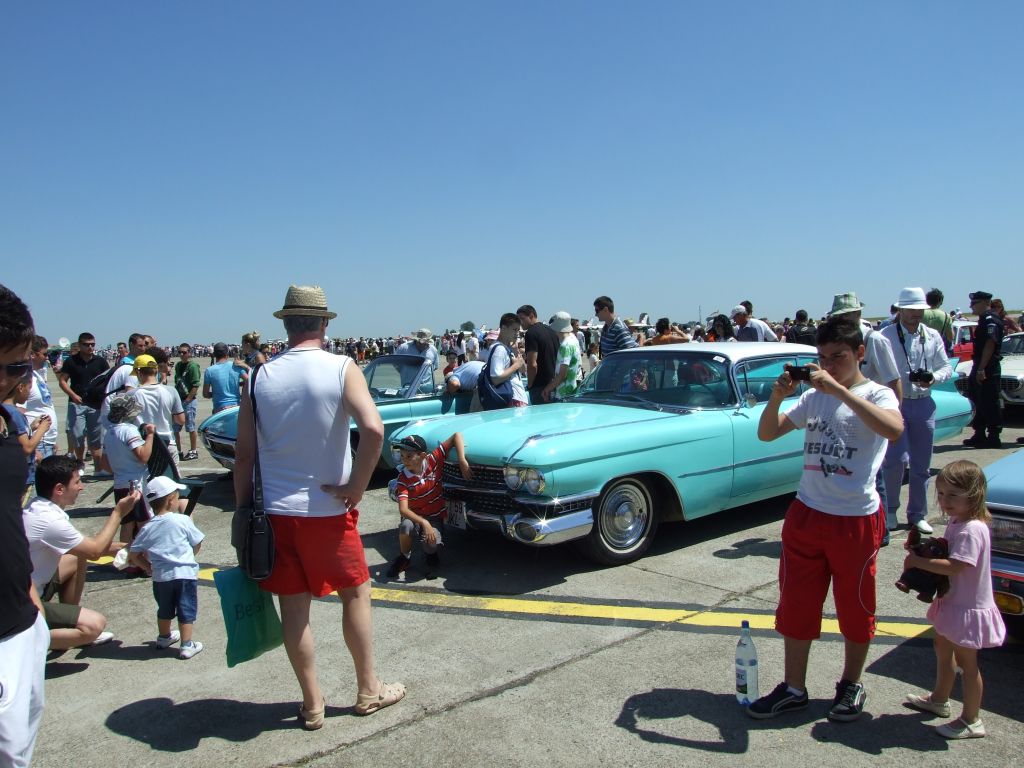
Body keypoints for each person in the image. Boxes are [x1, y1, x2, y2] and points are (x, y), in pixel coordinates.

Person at [234, 284, 404, 730]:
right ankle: (368, 688)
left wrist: (242, 510)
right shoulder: (341, 367)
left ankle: (312, 703)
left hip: (274, 512)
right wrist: (356, 486)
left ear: (285, 324)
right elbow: (373, 429)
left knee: (294, 609)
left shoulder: (257, 377)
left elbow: (245, 455)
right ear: (325, 324)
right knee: (356, 594)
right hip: (328, 510)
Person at [750, 316, 903, 722]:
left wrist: (839, 391)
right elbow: (768, 433)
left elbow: (893, 429)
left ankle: (851, 682)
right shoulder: (813, 398)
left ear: (860, 354)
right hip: (807, 512)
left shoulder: (877, 394)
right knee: (797, 603)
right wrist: (777, 398)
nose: (829, 365)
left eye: (838, 356)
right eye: (822, 358)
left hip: (854, 517)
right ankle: (794, 687)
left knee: (855, 605)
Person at [902, 460, 1006, 739]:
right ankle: (939, 699)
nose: (944, 501)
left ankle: (972, 720)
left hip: (967, 607)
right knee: (942, 648)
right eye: (941, 494)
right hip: (954, 602)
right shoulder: (959, 522)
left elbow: (957, 566)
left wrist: (919, 563)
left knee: (966, 662)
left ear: (973, 494)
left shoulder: (972, 528)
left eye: (952, 495)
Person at [0, 283, 49, 768]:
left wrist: (29, 591)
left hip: (18, 618)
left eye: (23, 365)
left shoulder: (6, 419)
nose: (21, 379)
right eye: (13, 366)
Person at [24, 455, 138, 649]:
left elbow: (87, 547)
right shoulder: (48, 520)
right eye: (77, 482)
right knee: (94, 626)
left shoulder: (39, 507)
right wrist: (118, 513)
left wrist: (133, 549)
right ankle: (26, 641)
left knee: (77, 556)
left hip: (34, 587)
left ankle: (66, 622)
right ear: (59, 489)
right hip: (24, 601)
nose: (81, 487)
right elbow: (95, 551)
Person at [827, 291, 903, 546]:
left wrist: (893, 417)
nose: (842, 320)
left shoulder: (875, 340)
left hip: (874, 411)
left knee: (874, 476)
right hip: (846, 415)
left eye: (845, 316)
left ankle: (880, 531)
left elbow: (893, 380)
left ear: (857, 314)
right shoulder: (839, 341)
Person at [880, 287, 952, 535]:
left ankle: (917, 513)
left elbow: (946, 367)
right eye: (911, 309)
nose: (916, 314)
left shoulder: (931, 335)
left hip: (923, 401)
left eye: (919, 309)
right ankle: (890, 509)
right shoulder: (885, 335)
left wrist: (933, 378)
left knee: (922, 464)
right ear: (900, 310)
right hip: (895, 402)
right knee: (895, 461)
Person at [128, 476, 205, 659]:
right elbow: (197, 542)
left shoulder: (148, 527)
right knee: (186, 609)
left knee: (164, 608)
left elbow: (133, 555)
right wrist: (188, 556)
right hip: (185, 574)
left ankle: (164, 637)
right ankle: (186, 645)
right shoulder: (182, 521)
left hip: (161, 576)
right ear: (171, 500)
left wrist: (148, 567)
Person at [386, 433, 471, 579]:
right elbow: (403, 509)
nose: (404, 460)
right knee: (405, 526)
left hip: (434, 517)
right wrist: (423, 522)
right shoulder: (403, 478)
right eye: (402, 455)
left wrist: (462, 459)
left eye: (409, 456)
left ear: (423, 455)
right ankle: (404, 557)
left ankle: (430, 554)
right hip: (414, 517)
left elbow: (456, 436)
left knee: (431, 544)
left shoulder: (433, 460)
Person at [102, 394, 155, 548]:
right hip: (136, 484)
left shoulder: (109, 433)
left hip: (120, 483)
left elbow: (104, 464)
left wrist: (121, 468)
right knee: (144, 521)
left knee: (127, 523)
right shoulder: (129, 430)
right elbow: (143, 456)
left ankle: (126, 561)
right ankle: (146, 557)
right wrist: (150, 435)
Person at [57, 332, 109, 474]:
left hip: (95, 405)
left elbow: (107, 381)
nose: (90, 347)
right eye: (86, 345)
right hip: (77, 403)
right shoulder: (71, 361)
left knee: (96, 438)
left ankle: (98, 468)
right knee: (78, 436)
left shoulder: (100, 361)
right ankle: (80, 464)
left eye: (92, 344)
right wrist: (73, 395)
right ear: (80, 345)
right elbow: (62, 381)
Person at [963, 291, 1004, 449]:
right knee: (978, 400)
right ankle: (979, 434)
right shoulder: (983, 320)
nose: (971, 306)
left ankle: (994, 436)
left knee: (989, 401)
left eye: (974, 303)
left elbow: (990, 344)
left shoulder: (991, 320)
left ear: (985, 303)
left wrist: (981, 368)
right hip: (980, 365)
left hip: (987, 367)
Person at [132, 353, 185, 469]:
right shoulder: (171, 391)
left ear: (138, 372)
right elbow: (180, 420)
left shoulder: (131, 395)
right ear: (156, 370)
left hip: (142, 445)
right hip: (167, 443)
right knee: (172, 483)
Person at [2, 377, 50, 501]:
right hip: (24, 475)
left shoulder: (5, 410)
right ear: (20, 387)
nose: (29, 393)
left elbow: (12, 437)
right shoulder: (14, 413)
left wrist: (32, 427)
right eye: (29, 388)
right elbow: (27, 448)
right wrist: (42, 430)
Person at [25, 336, 58, 473]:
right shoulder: (25, 379)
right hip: (37, 442)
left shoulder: (36, 375)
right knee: (36, 490)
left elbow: (45, 405)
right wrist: (34, 447)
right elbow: (17, 411)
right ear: (32, 354)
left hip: (47, 440)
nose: (46, 358)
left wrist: (52, 439)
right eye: (44, 354)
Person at [516, 305, 560, 405]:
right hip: (554, 383)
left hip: (539, 386)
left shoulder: (531, 333)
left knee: (539, 418)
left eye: (522, 319)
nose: (520, 322)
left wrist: (530, 384)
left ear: (531, 316)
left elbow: (532, 364)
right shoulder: (551, 331)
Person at [485, 313, 529, 408]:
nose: (517, 333)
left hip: (515, 398)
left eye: (518, 330)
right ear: (504, 328)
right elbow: (496, 378)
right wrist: (516, 365)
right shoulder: (500, 350)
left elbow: (522, 370)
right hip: (513, 399)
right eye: (514, 330)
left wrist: (516, 352)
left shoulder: (506, 348)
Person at [542, 311, 582, 402]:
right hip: (571, 390)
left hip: (563, 394)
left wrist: (547, 389)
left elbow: (562, 375)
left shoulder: (565, 346)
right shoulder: (573, 339)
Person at [174, 344, 202, 461]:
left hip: (188, 400)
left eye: (184, 352)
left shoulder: (193, 366)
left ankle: (193, 450)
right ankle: (178, 451)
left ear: (189, 353)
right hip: (179, 399)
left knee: (190, 426)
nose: (181, 355)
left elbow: (195, 384)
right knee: (175, 427)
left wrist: (188, 399)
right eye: (180, 352)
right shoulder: (178, 365)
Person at [203, 342, 246, 413]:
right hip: (236, 407)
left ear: (214, 354)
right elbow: (249, 380)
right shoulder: (236, 366)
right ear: (227, 353)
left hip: (219, 408)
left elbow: (205, 394)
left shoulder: (209, 370)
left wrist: (216, 393)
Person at [922, 288, 954, 354]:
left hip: (921, 349)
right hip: (937, 350)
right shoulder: (946, 316)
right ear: (940, 301)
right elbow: (950, 337)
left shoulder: (920, 313)